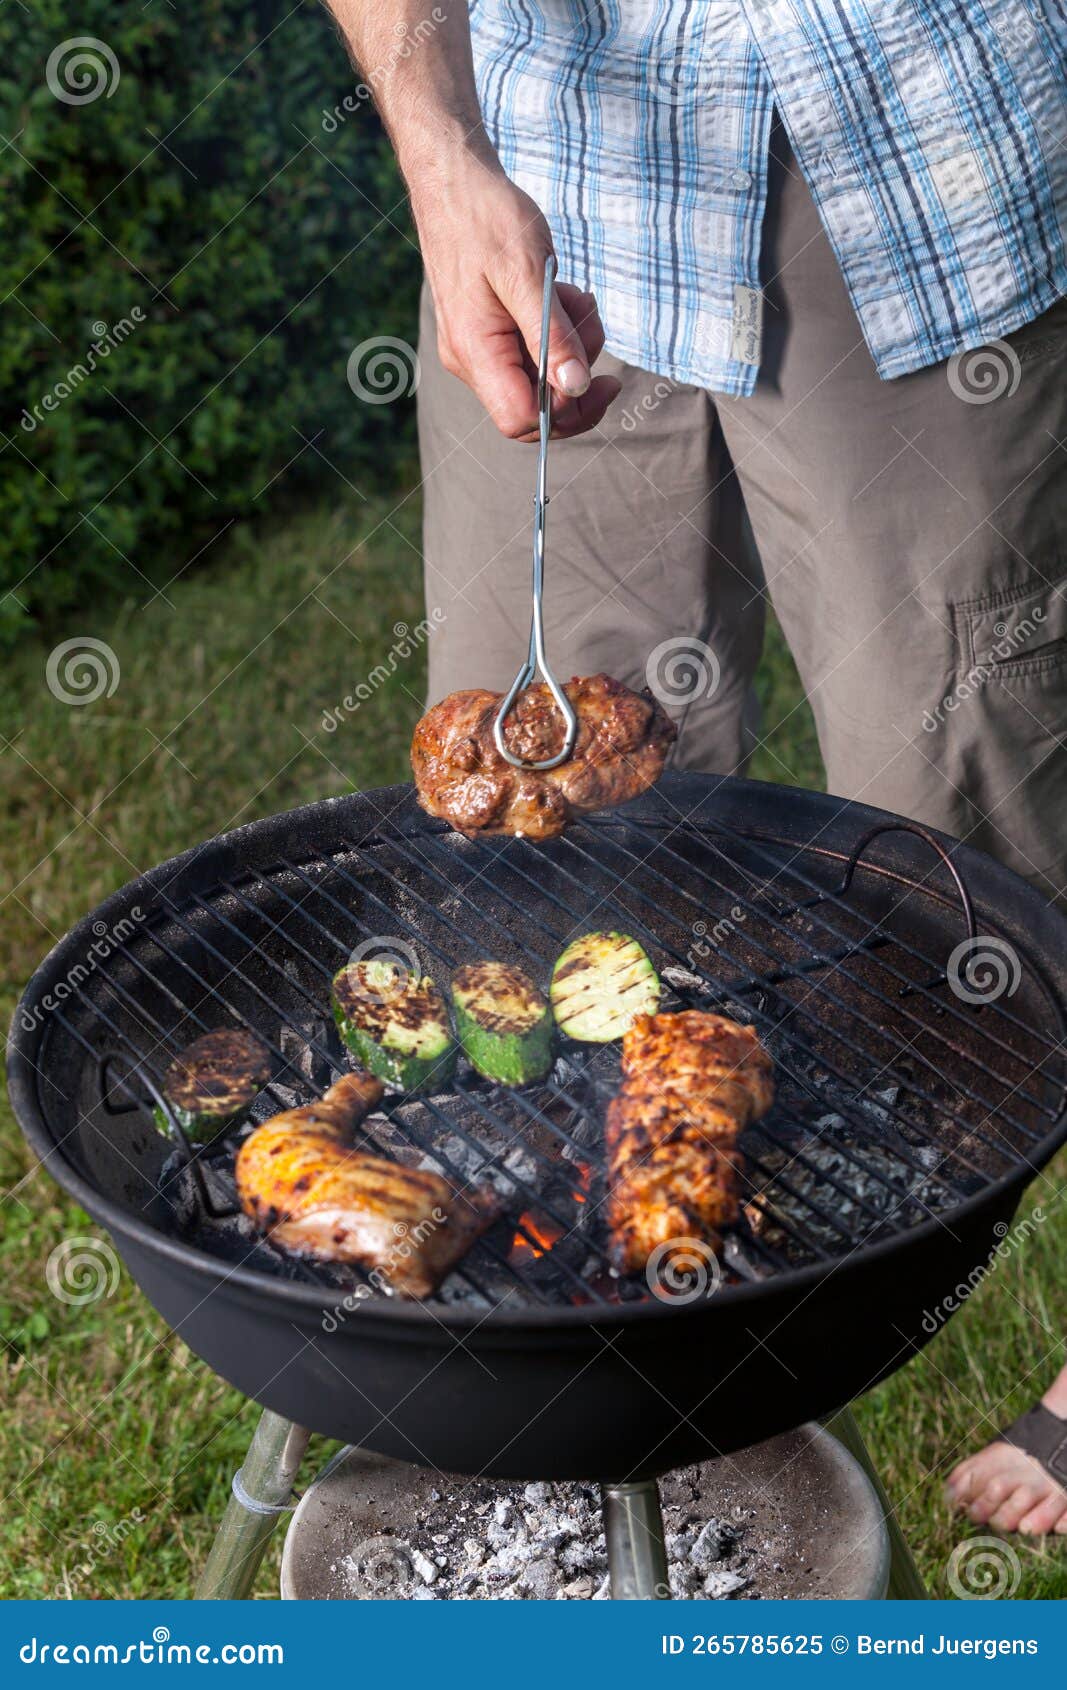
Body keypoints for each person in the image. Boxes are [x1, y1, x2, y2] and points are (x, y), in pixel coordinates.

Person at [325, 3, 1067, 1533]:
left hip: (902, 151)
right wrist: (440, 149)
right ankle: (614, 1309)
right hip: (549, 185)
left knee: (976, 837)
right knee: (538, 871)